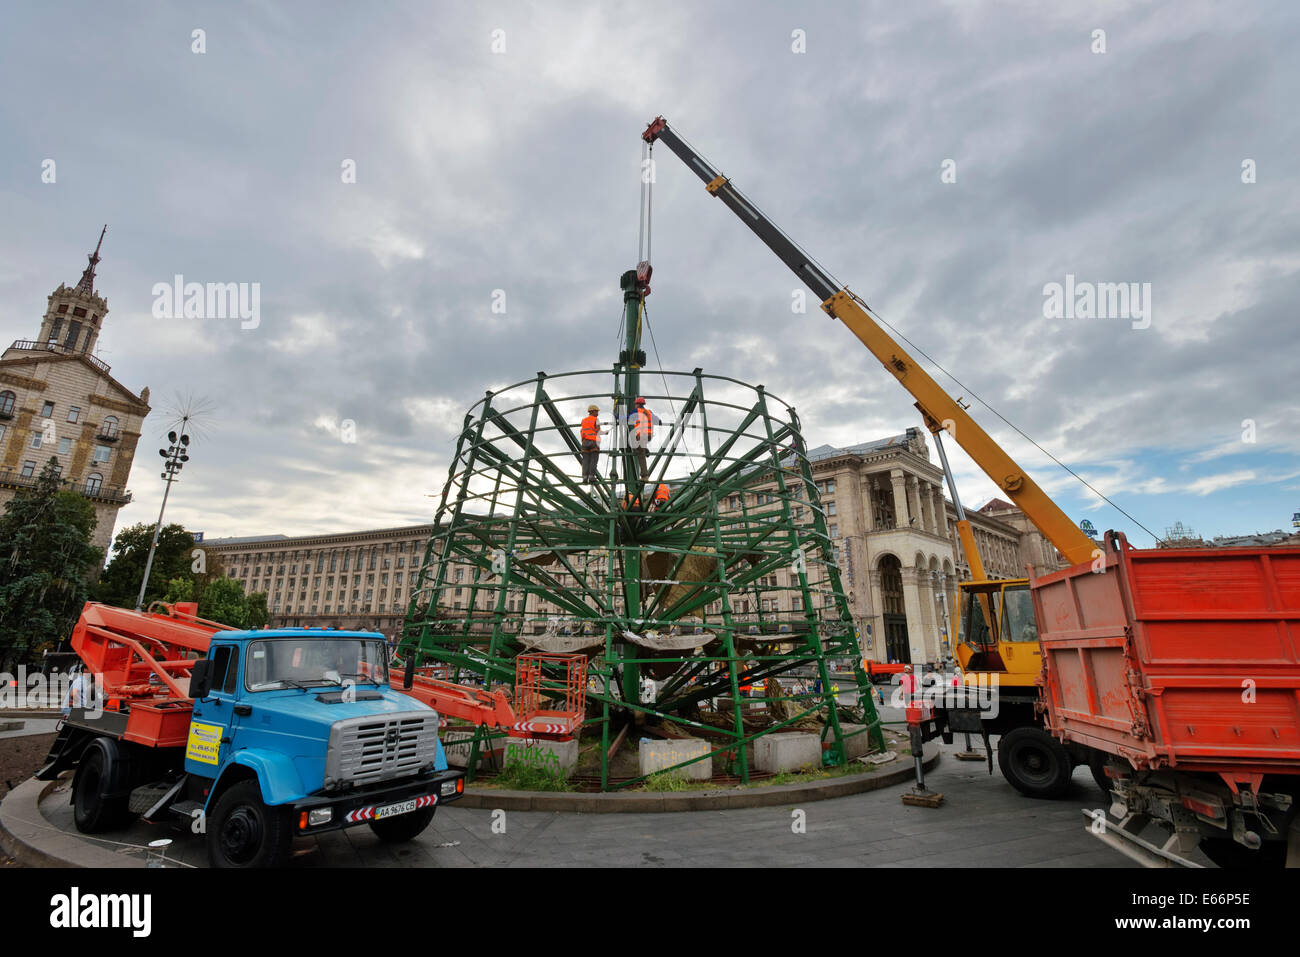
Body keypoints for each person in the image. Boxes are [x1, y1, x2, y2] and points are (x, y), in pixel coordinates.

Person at [626, 397, 660, 480]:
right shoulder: (649, 412)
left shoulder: (636, 411)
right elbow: (659, 421)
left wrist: (617, 417)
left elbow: (627, 418)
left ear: (637, 404)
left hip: (641, 435)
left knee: (640, 454)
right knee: (637, 446)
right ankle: (645, 450)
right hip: (648, 435)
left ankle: (644, 476)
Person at [579, 404, 605, 484]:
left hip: (585, 442)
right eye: (596, 411)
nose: (597, 413)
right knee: (594, 460)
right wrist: (605, 432)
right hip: (593, 441)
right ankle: (591, 476)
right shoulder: (596, 419)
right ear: (592, 411)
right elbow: (598, 431)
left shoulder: (584, 420)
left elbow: (583, 430)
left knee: (585, 460)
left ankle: (584, 477)